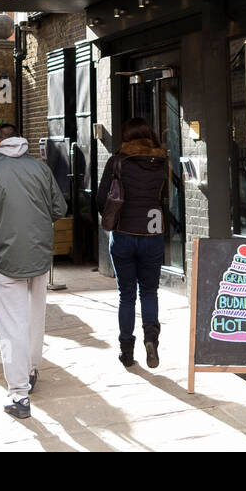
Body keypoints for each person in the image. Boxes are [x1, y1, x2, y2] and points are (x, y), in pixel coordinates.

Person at [0, 122, 66, 419]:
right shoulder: (40, 169)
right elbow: (59, 208)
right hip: (39, 257)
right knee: (34, 318)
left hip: (4, 259)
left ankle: (19, 393)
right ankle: (32, 368)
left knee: (10, 326)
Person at [98, 117, 170, 369]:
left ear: (126, 137)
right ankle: (151, 338)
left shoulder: (117, 161)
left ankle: (126, 351)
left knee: (126, 295)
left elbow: (100, 200)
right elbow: (167, 197)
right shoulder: (161, 162)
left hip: (124, 234)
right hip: (153, 234)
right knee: (149, 291)